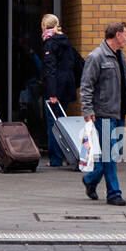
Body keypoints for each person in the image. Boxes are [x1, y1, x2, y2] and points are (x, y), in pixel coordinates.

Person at [79, 19, 126, 207]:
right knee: (109, 154)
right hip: (103, 113)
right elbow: (86, 86)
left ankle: (90, 180)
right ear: (117, 35)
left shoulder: (120, 56)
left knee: (115, 152)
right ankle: (114, 193)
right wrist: (88, 110)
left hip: (119, 112)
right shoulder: (96, 57)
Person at [39, 12, 81, 167]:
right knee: (63, 123)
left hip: (56, 90)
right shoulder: (66, 42)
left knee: (54, 125)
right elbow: (78, 63)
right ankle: (70, 154)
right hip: (67, 88)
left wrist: (52, 93)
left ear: (44, 26)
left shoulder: (50, 43)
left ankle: (56, 158)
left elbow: (51, 70)